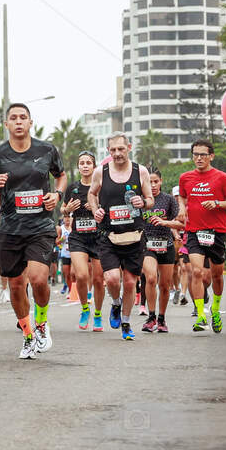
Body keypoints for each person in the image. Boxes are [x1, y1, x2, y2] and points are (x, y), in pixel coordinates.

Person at [0, 102, 65, 359]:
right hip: (10, 229)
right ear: (6, 124)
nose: (18, 122)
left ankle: (41, 323)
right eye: (13, 118)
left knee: (38, 278)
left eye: (23, 117)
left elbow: (60, 176)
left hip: (40, 226)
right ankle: (28, 336)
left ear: (30, 123)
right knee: (16, 285)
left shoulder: (47, 149)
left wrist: (57, 194)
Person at [87, 133, 150, 341]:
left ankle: (125, 322)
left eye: (121, 149)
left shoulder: (140, 171)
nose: (117, 154)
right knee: (112, 278)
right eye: (113, 150)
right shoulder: (101, 172)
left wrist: (143, 202)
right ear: (108, 151)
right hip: (109, 235)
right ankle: (115, 302)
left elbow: (150, 199)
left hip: (134, 235)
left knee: (131, 283)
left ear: (129, 148)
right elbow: (92, 194)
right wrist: (95, 210)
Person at [179, 139, 226, 333]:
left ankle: (215, 309)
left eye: (202, 154)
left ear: (211, 156)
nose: (198, 158)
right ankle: (201, 315)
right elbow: (182, 195)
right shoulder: (185, 177)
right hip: (194, 231)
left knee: (216, 275)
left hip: (217, 232)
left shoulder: (223, 178)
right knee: (196, 272)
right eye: (195, 154)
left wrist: (217, 203)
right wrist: (181, 208)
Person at [141, 168, 185, 334]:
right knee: (151, 278)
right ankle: (151, 317)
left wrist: (165, 223)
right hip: (146, 245)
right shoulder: (140, 200)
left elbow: (182, 224)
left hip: (166, 245)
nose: (152, 185)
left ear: (161, 181)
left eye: (155, 182)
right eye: (149, 182)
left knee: (165, 285)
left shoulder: (168, 200)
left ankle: (161, 318)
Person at [63, 150, 103, 331]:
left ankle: (98, 314)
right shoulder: (73, 188)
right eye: (82, 163)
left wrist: (97, 206)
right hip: (78, 236)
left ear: (94, 166)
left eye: (88, 163)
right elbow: (63, 209)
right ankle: (85, 308)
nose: (85, 166)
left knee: (98, 278)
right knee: (80, 275)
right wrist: (68, 208)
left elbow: (110, 208)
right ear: (78, 166)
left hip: (99, 236)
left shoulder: (101, 187)